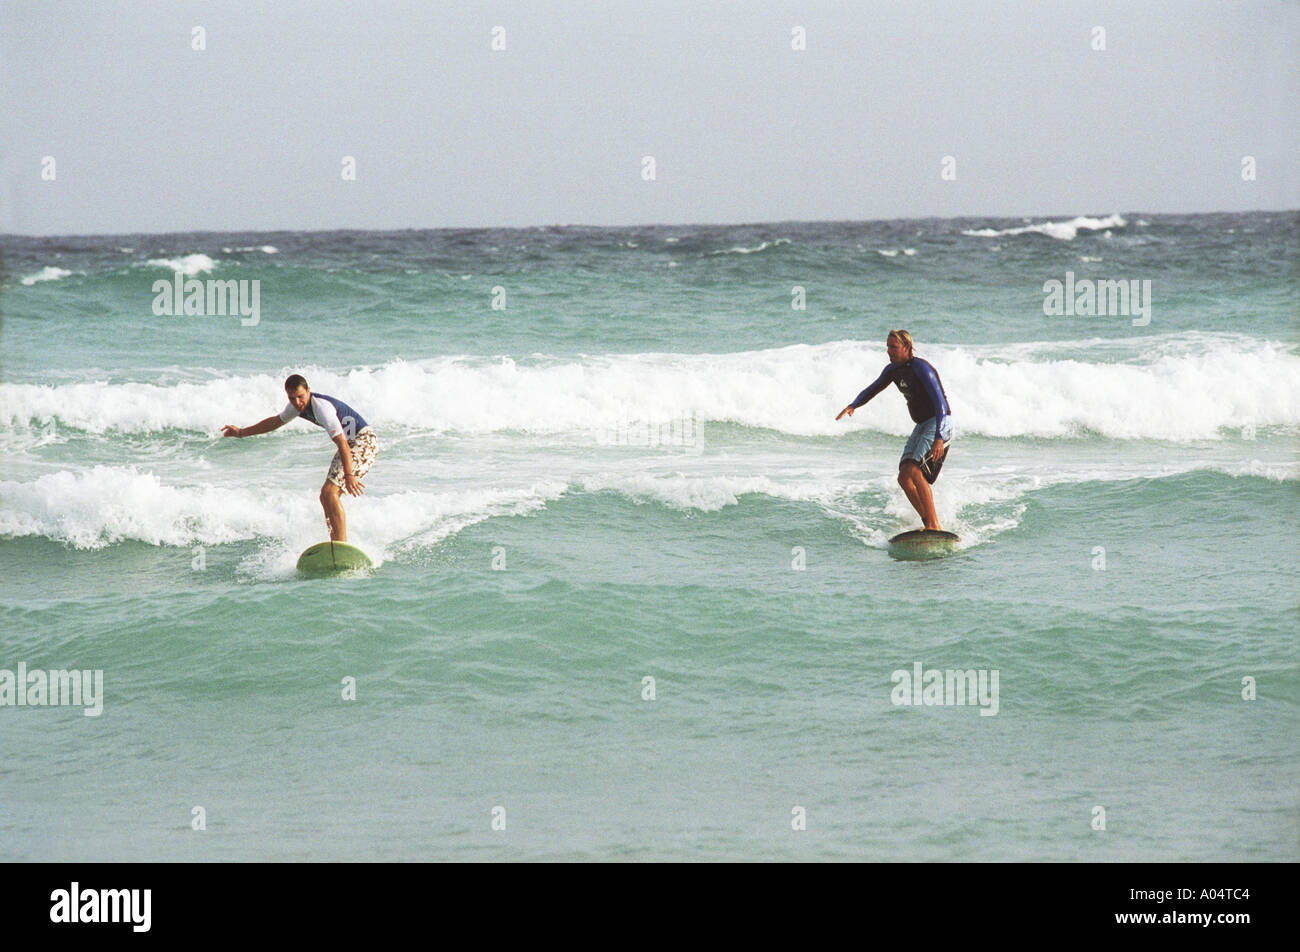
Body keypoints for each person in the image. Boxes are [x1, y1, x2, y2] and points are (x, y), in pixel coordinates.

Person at [222, 374, 378, 542]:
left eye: (300, 396)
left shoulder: (322, 408)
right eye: (292, 398)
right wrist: (240, 432)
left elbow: (342, 444)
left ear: (308, 391)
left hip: (364, 441)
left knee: (330, 492)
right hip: (350, 444)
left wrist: (349, 475)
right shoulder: (295, 407)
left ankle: (341, 542)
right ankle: (336, 542)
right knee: (325, 496)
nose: (297, 402)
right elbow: (274, 422)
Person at [836, 330, 952, 531]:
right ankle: (927, 522)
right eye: (888, 347)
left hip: (937, 422)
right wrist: (853, 405)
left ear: (907, 347)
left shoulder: (922, 369)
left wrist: (939, 438)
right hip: (922, 424)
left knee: (915, 471)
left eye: (894, 347)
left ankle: (934, 525)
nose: (889, 351)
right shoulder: (893, 370)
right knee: (903, 476)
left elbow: (941, 404)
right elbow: (872, 389)